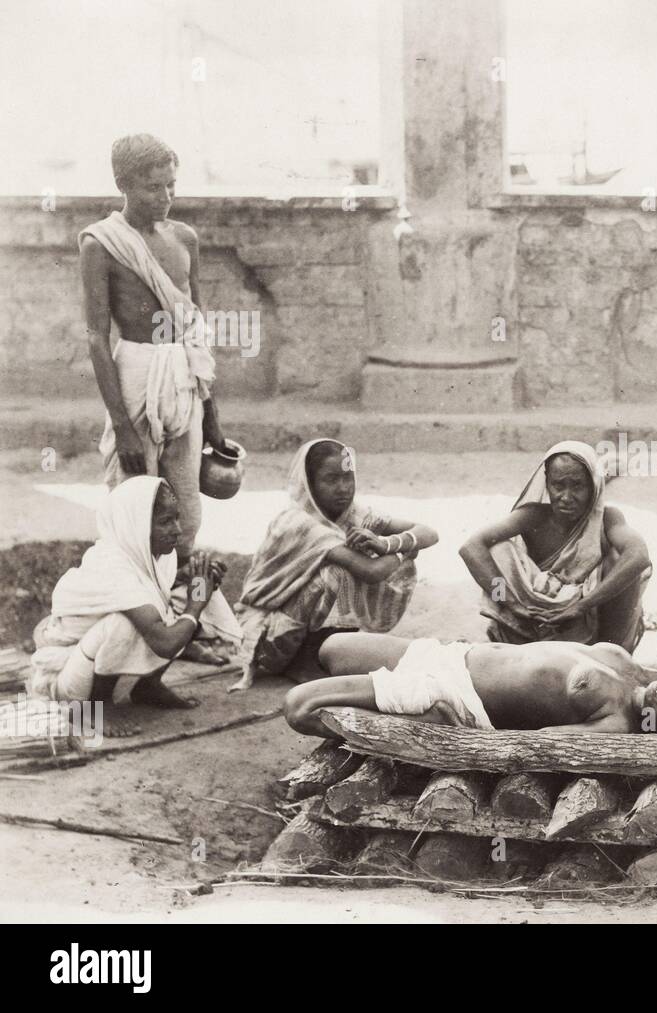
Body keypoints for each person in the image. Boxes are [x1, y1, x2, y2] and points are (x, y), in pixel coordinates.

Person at [79, 132, 239, 664]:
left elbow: (198, 329)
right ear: (123, 185)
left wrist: (212, 418)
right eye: (152, 188)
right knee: (137, 512)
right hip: (137, 376)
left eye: (171, 185)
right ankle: (133, 642)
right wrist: (122, 425)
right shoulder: (100, 244)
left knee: (185, 516)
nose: (165, 197)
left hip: (183, 377)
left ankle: (180, 632)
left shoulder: (184, 238)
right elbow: (97, 337)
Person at [284, 632, 657, 763]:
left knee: (299, 707)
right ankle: (378, 695)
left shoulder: (615, 723)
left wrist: (452, 726)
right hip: (454, 653)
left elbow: (531, 746)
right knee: (331, 648)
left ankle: (412, 719)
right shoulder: (634, 669)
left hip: (453, 694)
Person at [28, 477, 236, 735]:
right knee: (127, 622)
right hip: (66, 679)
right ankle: (97, 708)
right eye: (165, 522)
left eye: (177, 518)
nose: (177, 530)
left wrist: (197, 581)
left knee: (189, 591)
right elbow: (164, 642)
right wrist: (195, 603)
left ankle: (147, 686)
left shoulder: (155, 555)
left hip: (98, 666)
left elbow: (161, 591)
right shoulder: (111, 564)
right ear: (135, 526)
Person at [232, 438, 435, 690]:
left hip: (289, 627)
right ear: (310, 484)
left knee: (357, 565)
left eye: (348, 477)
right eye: (331, 479)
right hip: (267, 636)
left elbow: (429, 532)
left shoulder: (352, 513)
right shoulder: (299, 522)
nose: (343, 488)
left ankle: (329, 652)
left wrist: (389, 544)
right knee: (336, 573)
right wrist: (404, 552)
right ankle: (303, 660)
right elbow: (371, 572)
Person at [460, 441, 651, 653]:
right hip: (531, 618)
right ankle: (506, 634)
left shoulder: (607, 519)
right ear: (547, 484)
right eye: (558, 486)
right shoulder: (534, 516)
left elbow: (639, 556)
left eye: (578, 486)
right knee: (496, 552)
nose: (566, 497)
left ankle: (612, 655)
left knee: (619, 561)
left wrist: (581, 606)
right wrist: (512, 602)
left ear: (593, 486)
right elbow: (471, 547)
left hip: (586, 622)